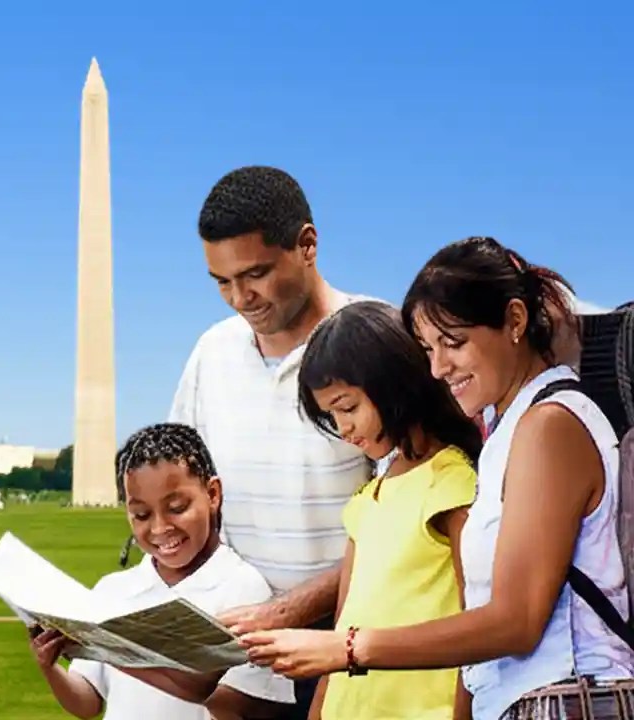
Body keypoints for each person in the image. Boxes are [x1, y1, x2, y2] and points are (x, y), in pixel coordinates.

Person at [240, 237, 634, 719]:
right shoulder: (511, 431)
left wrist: (349, 648)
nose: (437, 367)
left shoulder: (548, 425)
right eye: (428, 348)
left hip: (570, 698)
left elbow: (518, 621)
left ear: (515, 321)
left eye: (454, 343)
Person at [168, 165, 377, 716]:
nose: (241, 297)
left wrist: (290, 611)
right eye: (221, 281)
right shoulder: (212, 353)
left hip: (352, 651)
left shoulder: (380, 343)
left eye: (255, 274)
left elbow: (411, 530)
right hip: (246, 657)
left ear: (307, 245)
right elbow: (182, 498)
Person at [29, 422, 294, 719]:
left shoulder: (243, 588)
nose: (159, 528)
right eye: (141, 514)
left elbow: (244, 707)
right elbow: (87, 702)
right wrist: (49, 665)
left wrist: (120, 651)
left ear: (212, 494)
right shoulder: (114, 589)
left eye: (177, 507)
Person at [295, 300, 483, 719]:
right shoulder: (365, 502)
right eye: (331, 415)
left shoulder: (451, 482)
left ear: (395, 384)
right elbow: (340, 633)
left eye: (348, 408)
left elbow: (478, 634)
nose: (342, 428)